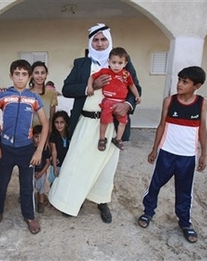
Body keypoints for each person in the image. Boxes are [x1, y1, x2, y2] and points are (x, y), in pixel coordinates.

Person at [48, 23, 141, 223]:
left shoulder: (123, 62)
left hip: (111, 125)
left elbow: (136, 88)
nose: (99, 44)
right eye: (95, 40)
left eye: (103, 39)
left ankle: (101, 201)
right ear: (91, 43)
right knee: (76, 162)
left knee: (106, 166)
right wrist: (91, 86)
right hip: (85, 121)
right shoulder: (82, 64)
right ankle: (70, 200)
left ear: (109, 41)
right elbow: (67, 88)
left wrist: (127, 104)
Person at [138, 66, 207, 244]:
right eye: (179, 80)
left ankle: (185, 222)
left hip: (187, 157)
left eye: (185, 82)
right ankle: (147, 212)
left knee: (184, 192)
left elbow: (203, 129)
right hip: (167, 153)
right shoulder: (169, 101)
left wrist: (204, 154)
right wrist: (155, 149)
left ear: (196, 85)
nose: (179, 84)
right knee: (155, 185)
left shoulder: (202, 103)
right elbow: (161, 125)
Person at [0, 59, 49, 235]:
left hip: (27, 149)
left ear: (29, 77)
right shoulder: (3, 96)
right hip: (5, 148)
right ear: (11, 76)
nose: (20, 78)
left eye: (24, 74)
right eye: (17, 74)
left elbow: (45, 123)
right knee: (2, 181)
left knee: (26, 184)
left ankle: (29, 216)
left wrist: (38, 149)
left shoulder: (34, 98)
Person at [86, 47, 141, 151]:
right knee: (104, 121)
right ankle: (102, 139)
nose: (116, 65)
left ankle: (117, 139)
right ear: (109, 62)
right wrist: (90, 86)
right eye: (114, 62)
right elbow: (92, 77)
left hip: (121, 103)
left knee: (123, 122)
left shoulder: (126, 74)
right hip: (108, 101)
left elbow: (132, 85)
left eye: (120, 63)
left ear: (125, 64)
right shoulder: (104, 71)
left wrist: (137, 96)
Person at [29, 61, 58, 129]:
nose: (40, 75)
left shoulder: (51, 94)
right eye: (36, 73)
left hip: (45, 131)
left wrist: (49, 131)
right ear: (31, 75)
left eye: (42, 73)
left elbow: (51, 117)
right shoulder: (26, 94)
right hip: (28, 132)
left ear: (46, 75)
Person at [48, 111, 70, 185]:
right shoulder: (53, 136)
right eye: (56, 122)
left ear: (66, 123)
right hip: (57, 164)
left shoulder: (69, 135)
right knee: (54, 183)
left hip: (67, 164)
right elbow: (54, 151)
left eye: (62, 122)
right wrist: (54, 167)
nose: (59, 125)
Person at [32, 125, 51, 213]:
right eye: (36, 137)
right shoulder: (30, 148)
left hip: (41, 172)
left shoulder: (45, 148)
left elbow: (47, 162)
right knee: (28, 186)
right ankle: (25, 197)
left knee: (41, 189)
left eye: (41, 137)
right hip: (31, 172)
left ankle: (41, 202)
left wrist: (42, 172)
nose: (38, 139)